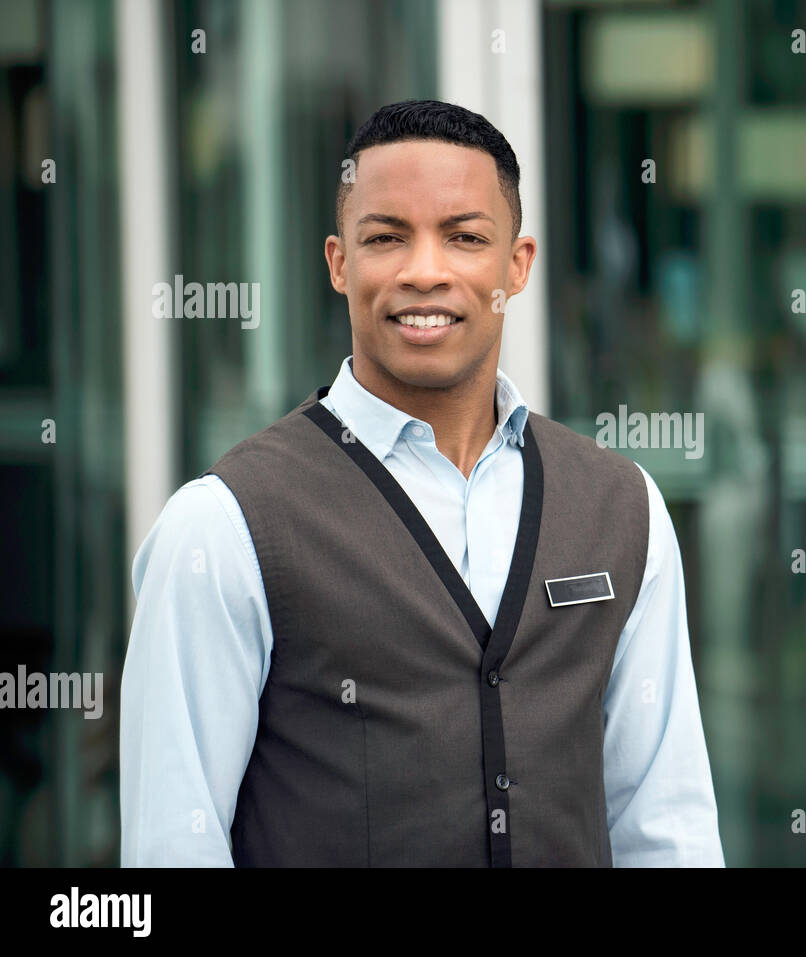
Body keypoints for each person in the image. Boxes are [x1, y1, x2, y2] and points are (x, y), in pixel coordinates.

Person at [119, 99, 724, 867]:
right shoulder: (222, 527)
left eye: (465, 237)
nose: (425, 271)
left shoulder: (622, 505)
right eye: (386, 238)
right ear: (340, 263)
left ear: (517, 264)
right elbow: (172, 846)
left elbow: (665, 826)